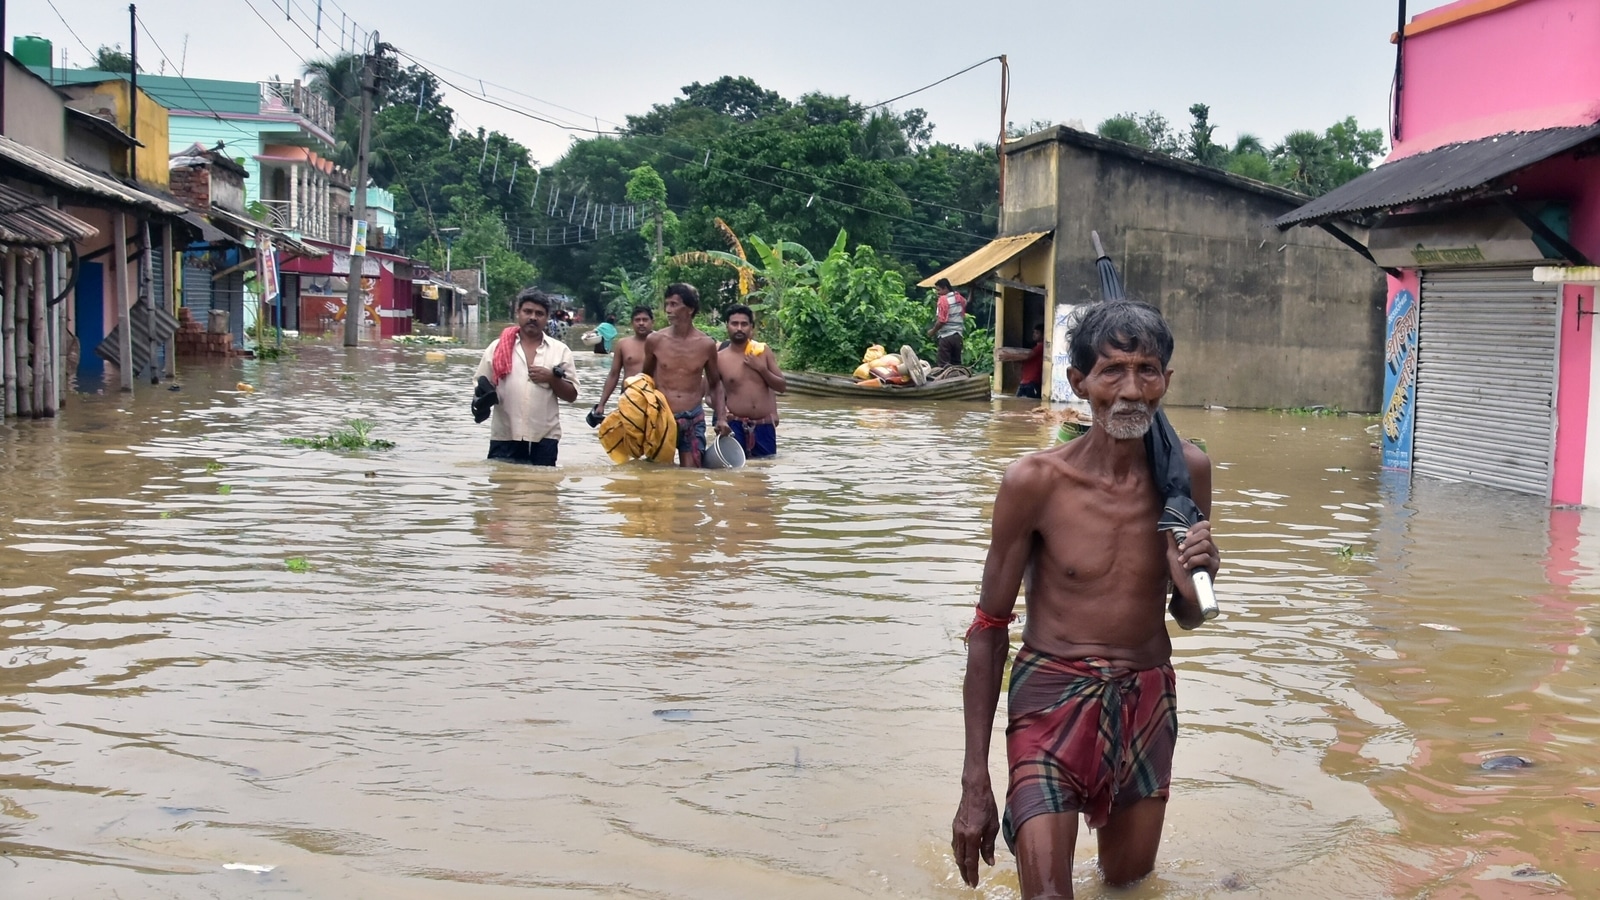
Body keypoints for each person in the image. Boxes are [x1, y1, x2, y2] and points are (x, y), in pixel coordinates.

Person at [950, 301, 1219, 899]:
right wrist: (974, 781)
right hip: (1051, 696)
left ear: (1167, 381)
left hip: (1146, 697)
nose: (1131, 391)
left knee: (1128, 886)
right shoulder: (1035, 482)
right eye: (1112, 371)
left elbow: (1188, 616)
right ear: (1078, 383)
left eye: (1147, 371)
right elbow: (989, 627)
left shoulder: (1189, 472)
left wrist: (1196, 579)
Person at [472, 289, 580, 466]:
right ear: (518, 313)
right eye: (528, 311)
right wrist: (483, 400)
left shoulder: (560, 351)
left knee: (543, 482)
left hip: (544, 439)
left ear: (547, 317)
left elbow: (572, 395)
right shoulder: (497, 348)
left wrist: (552, 378)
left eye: (539, 313)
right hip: (505, 436)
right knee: (502, 482)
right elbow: (480, 385)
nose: (533, 317)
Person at [641, 284, 729, 467]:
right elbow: (644, 380)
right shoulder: (655, 340)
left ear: (690, 309)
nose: (668, 310)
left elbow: (715, 384)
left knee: (692, 473)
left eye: (674, 304)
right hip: (661, 416)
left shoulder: (706, 345)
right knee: (657, 473)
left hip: (693, 418)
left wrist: (721, 417)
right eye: (667, 304)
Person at [715, 304, 786, 458]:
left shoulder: (763, 352)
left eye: (744, 324)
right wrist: (721, 414)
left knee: (765, 468)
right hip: (734, 424)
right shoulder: (719, 358)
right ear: (727, 326)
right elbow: (710, 393)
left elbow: (781, 386)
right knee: (735, 470)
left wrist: (762, 369)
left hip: (764, 425)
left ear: (751, 327)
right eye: (734, 324)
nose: (739, 328)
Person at [592, 306, 656, 421]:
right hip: (628, 398)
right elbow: (613, 374)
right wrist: (601, 404)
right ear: (632, 323)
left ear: (652, 322)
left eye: (645, 320)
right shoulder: (623, 344)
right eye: (637, 320)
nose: (641, 323)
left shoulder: (661, 343)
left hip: (654, 399)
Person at [928, 277, 969, 368]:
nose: (937, 293)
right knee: (956, 364)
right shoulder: (959, 298)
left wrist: (932, 331)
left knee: (943, 365)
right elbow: (967, 302)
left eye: (939, 290)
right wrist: (972, 290)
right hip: (958, 336)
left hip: (946, 337)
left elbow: (942, 320)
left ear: (945, 288)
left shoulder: (943, 300)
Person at [1018, 323, 1045, 398]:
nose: (1034, 335)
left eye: (1037, 333)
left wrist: (1009, 356)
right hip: (1025, 382)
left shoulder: (1041, 347)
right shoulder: (1036, 347)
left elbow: (1028, 356)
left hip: (1032, 382)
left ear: (1043, 335)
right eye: (1034, 332)